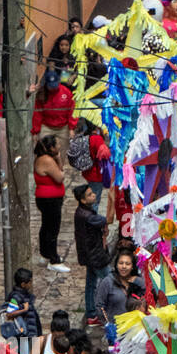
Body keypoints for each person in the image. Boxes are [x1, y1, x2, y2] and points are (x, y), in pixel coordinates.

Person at [72, 184, 110, 323]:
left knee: (91, 284)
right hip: (95, 256)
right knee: (110, 281)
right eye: (89, 195)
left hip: (90, 255)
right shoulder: (87, 216)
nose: (93, 195)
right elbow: (103, 220)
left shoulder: (83, 212)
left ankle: (91, 314)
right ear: (83, 200)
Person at [33, 136, 68, 271]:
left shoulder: (45, 159)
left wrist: (58, 159)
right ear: (51, 148)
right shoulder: (47, 160)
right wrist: (59, 164)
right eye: (57, 144)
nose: (59, 146)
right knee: (52, 229)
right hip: (50, 200)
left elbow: (58, 169)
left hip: (47, 198)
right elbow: (60, 177)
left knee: (46, 226)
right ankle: (54, 260)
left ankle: (45, 254)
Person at [93, 250, 138, 332]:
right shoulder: (107, 282)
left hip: (134, 330)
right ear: (116, 265)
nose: (124, 266)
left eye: (127, 264)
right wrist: (108, 325)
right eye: (121, 263)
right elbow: (99, 305)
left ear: (132, 266)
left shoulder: (137, 282)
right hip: (115, 330)